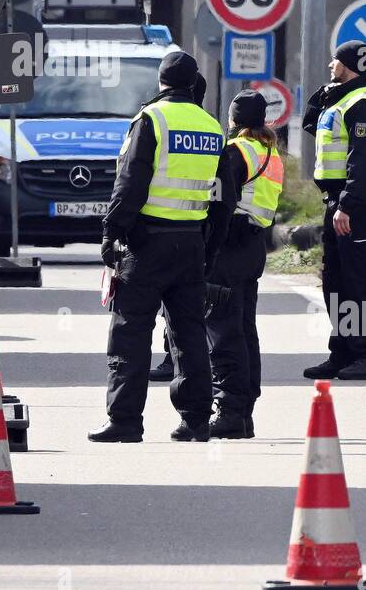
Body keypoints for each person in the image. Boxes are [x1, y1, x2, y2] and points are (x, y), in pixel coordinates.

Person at [89, 51, 224, 443]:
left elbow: (131, 180)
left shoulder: (151, 119)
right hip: (191, 243)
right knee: (189, 335)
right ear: (193, 81)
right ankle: (197, 420)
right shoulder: (211, 126)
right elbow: (220, 196)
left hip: (147, 244)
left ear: (161, 81)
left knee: (130, 332)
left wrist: (111, 231)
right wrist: (209, 248)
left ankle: (125, 421)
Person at [301, 39, 366, 381]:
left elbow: (364, 163)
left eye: (335, 61)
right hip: (337, 203)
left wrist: (348, 205)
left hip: (355, 206)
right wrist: (322, 94)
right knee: (336, 281)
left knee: (361, 281)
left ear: (349, 64)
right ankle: (342, 352)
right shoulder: (340, 101)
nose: (329, 66)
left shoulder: (364, 104)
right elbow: (312, 124)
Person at [203, 90, 284, 437]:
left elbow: (220, 204)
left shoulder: (235, 152)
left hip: (229, 246)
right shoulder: (271, 152)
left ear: (233, 120)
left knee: (222, 331)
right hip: (253, 247)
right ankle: (244, 408)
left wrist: (205, 247)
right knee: (244, 329)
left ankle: (230, 411)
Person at [149, 70, 210, 384]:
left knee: (171, 308)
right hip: (198, 234)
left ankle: (171, 360)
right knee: (189, 311)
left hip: (160, 232)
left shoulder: (161, 121)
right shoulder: (210, 130)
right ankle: (183, 368)